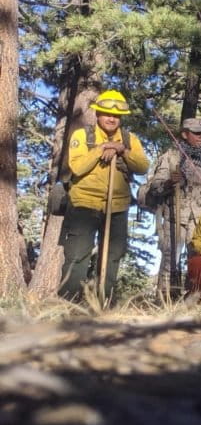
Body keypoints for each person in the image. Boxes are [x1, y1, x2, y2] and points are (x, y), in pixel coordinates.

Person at [60, 90, 150, 301]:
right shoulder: (82, 136)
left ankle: (102, 304)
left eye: (117, 116)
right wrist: (101, 148)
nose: (112, 119)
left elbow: (143, 166)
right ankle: (68, 306)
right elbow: (78, 167)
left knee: (112, 257)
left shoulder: (129, 139)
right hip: (84, 203)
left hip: (117, 206)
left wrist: (121, 150)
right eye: (107, 114)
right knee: (77, 255)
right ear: (98, 114)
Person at [140, 117, 201, 296]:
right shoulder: (170, 157)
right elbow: (155, 187)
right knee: (171, 260)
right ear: (185, 134)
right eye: (197, 133)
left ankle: (198, 296)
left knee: (199, 257)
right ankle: (166, 298)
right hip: (175, 217)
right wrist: (169, 183)